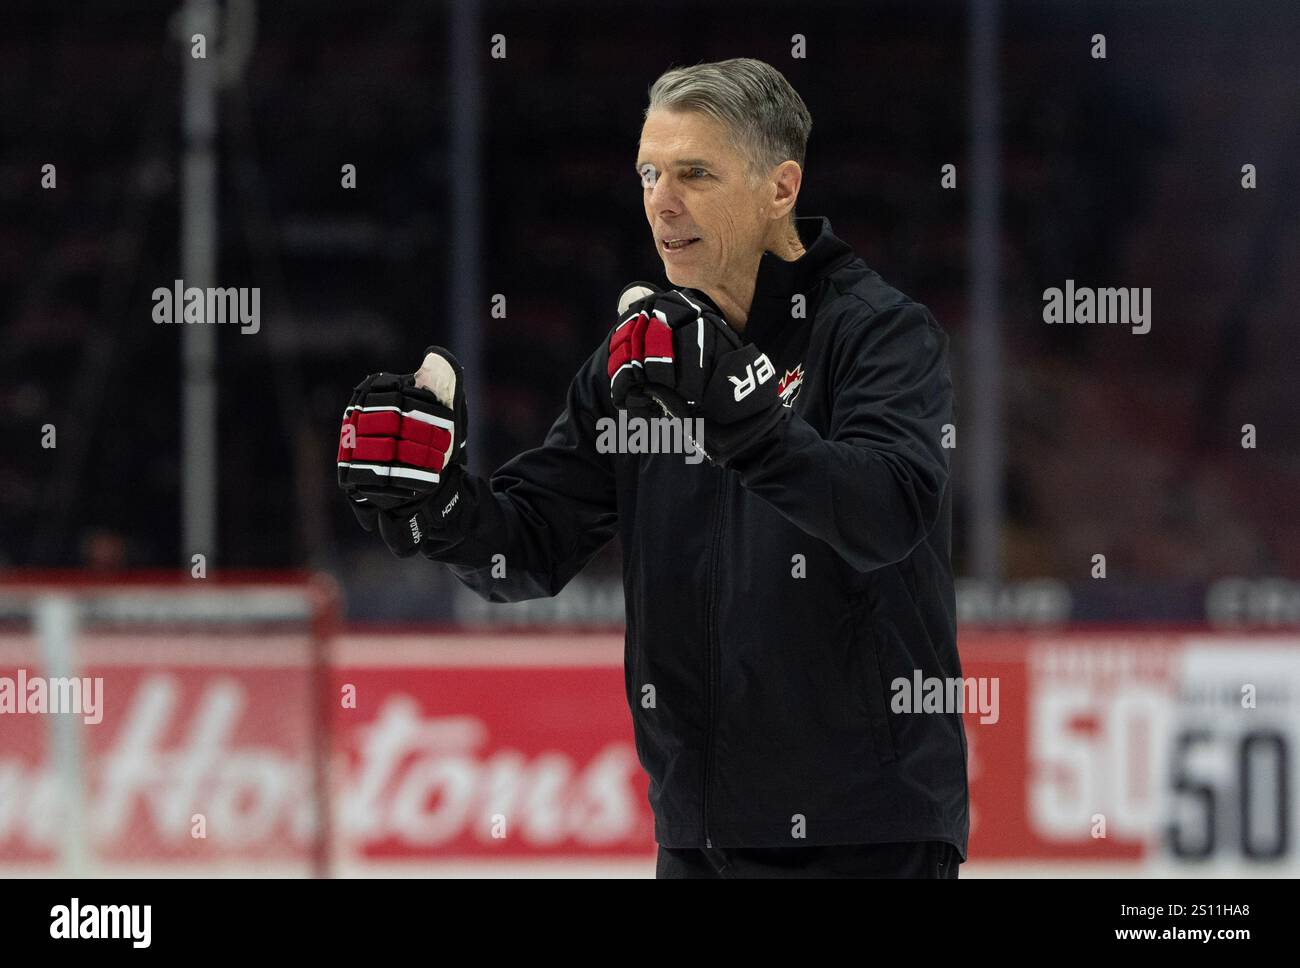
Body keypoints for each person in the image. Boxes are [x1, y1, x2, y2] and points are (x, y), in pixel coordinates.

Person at [337, 57, 967, 878]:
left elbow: (883, 515)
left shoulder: (880, 333)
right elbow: (530, 545)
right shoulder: (637, 359)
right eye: (649, 172)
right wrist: (442, 509)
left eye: (695, 174)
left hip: (868, 835)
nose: (661, 202)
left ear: (781, 188)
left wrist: (738, 414)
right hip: (696, 837)